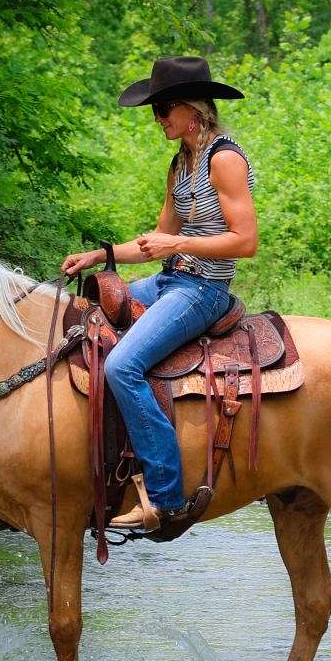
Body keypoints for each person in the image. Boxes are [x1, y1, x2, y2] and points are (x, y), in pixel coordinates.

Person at [60, 56, 258, 530]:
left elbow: (246, 241)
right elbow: (157, 239)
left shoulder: (223, 159)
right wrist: (100, 254)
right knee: (84, 319)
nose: (158, 118)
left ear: (193, 109)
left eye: (164, 108)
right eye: (154, 110)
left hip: (205, 289)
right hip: (171, 279)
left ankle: (166, 497)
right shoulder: (181, 163)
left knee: (123, 366)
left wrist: (178, 245)